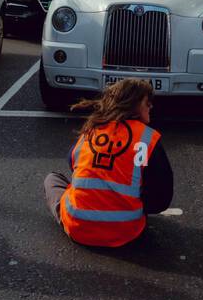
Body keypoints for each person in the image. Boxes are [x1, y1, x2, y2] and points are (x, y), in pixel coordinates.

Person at [45, 78, 172, 247]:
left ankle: (80, 212)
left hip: (79, 228)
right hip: (127, 232)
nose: (151, 106)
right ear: (132, 104)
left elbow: (73, 163)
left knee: (52, 179)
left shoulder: (92, 131)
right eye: (147, 102)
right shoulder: (147, 138)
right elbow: (162, 197)